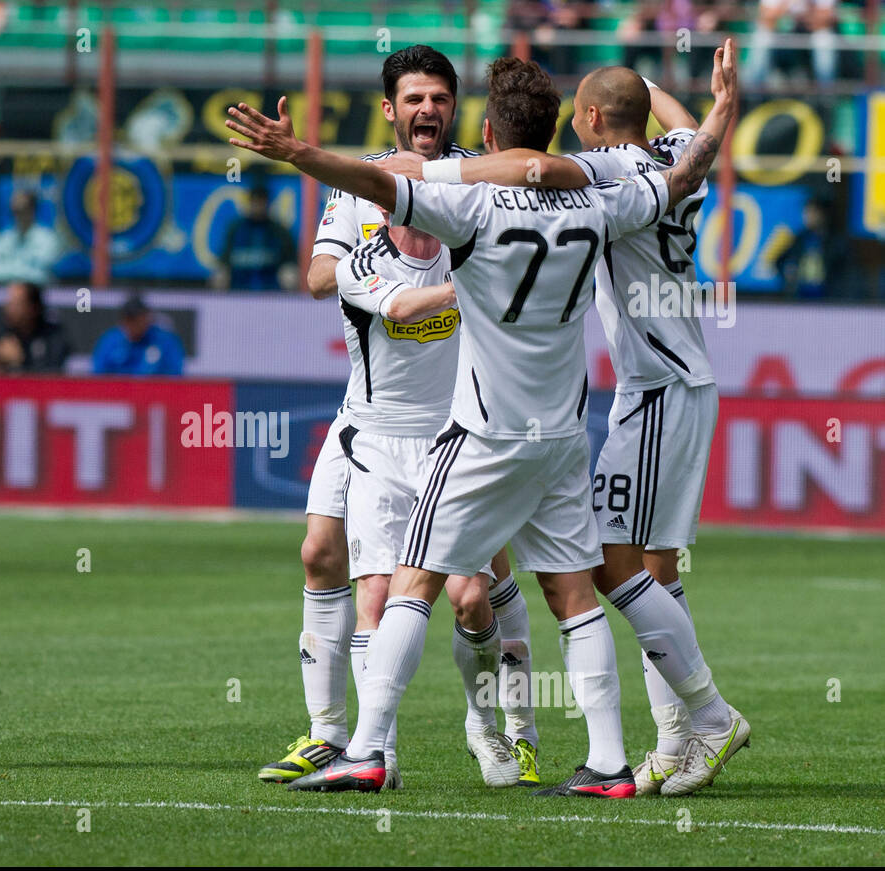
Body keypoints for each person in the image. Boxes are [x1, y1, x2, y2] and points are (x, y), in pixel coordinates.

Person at [229, 41, 739, 796]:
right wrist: (723, 111)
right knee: (576, 592)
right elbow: (679, 179)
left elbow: (371, 179)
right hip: (563, 436)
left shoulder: (464, 200)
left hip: (482, 432)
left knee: (413, 583)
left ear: (489, 135)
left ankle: (366, 748)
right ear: (558, 124)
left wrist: (297, 151)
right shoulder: (600, 197)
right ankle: (608, 760)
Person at [390, 62, 752, 796]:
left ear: (588, 120)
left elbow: (529, 164)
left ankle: (699, 725)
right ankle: (681, 736)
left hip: (657, 383)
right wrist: (700, 101)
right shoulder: (674, 152)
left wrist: (439, 172)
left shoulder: (602, 168)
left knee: (625, 568)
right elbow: (693, 136)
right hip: (676, 380)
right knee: (640, 566)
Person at [256, 45, 537, 793]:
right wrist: (363, 264)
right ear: (391, 109)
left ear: (454, 106)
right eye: (413, 99)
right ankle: (334, 738)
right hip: (371, 422)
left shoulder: (480, 180)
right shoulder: (359, 190)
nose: (427, 111)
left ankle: (501, 726)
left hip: (463, 422)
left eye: (439, 98)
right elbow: (317, 277)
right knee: (328, 557)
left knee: (476, 590)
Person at [329, 222, 519, 790]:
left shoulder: (469, 251)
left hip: (454, 440)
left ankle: (483, 725)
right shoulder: (357, 264)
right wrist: (468, 286)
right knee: (378, 595)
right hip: (379, 442)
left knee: (469, 597)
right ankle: (377, 750)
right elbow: (402, 309)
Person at [213, 183, 296, 290]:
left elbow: (290, 263)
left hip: (271, 292)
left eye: (261, 202)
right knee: (219, 276)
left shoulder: (279, 231)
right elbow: (223, 262)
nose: (258, 206)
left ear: (268, 203)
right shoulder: (236, 229)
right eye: (255, 201)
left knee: (290, 276)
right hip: (238, 290)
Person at [0, 281, 68, 373]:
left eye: (16, 305)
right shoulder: (1, 336)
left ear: (33, 308)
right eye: (9, 304)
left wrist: (18, 362)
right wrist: (0, 363)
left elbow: (53, 377)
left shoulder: (53, 336)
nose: (9, 309)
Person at [0, 188, 61, 285]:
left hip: (37, 295)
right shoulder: (1, 239)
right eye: (15, 211)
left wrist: (10, 271)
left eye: (23, 209)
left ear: (32, 210)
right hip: (5, 294)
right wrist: (20, 274)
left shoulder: (48, 239)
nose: (18, 215)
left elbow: (43, 274)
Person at [90, 293, 183, 375]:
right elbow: (99, 375)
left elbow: (175, 375)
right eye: (130, 320)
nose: (135, 325)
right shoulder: (111, 341)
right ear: (123, 321)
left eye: (139, 319)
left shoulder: (164, 341)